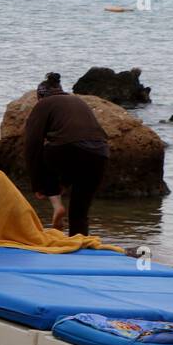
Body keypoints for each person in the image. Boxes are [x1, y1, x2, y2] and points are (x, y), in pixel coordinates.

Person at [24, 73, 110, 235]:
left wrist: (38, 184)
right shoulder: (78, 101)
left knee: (45, 154)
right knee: (79, 212)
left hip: (69, 150)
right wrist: (64, 181)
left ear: (39, 96)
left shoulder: (43, 104)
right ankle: (80, 246)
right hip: (100, 154)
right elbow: (83, 146)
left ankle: (57, 206)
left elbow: (32, 145)